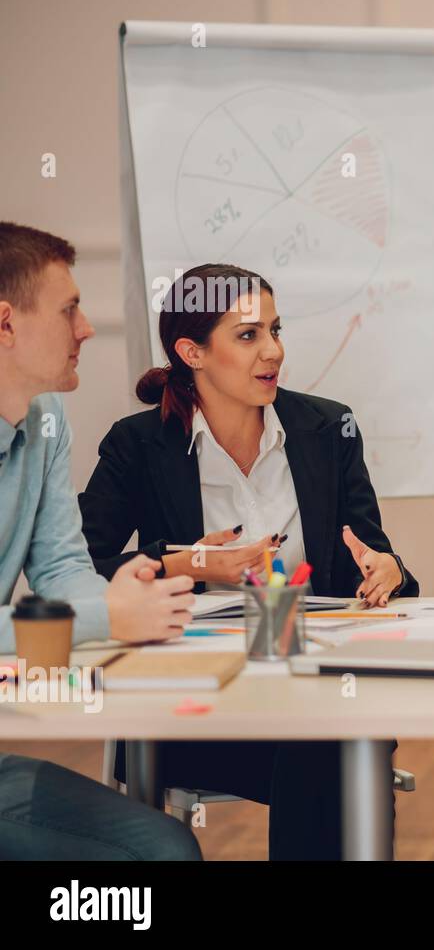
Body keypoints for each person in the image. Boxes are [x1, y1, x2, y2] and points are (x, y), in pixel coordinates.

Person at [78, 263, 417, 860]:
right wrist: (190, 564)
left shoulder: (327, 428)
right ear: (192, 352)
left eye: (276, 330)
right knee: (338, 752)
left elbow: (372, 551)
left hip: (309, 690)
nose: (274, 351)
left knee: (334, 740)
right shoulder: (137, 444)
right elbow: (81, 566)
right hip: (191, 707)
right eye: (248, 335)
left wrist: (388, 569)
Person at [0, 220, 200, 860]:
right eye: (69, 310)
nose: (86, 328)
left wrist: (122, 595)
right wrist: (107, 614)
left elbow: (61, 568)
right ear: (6, 323)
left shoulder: (45, 417)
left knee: (167, 846)